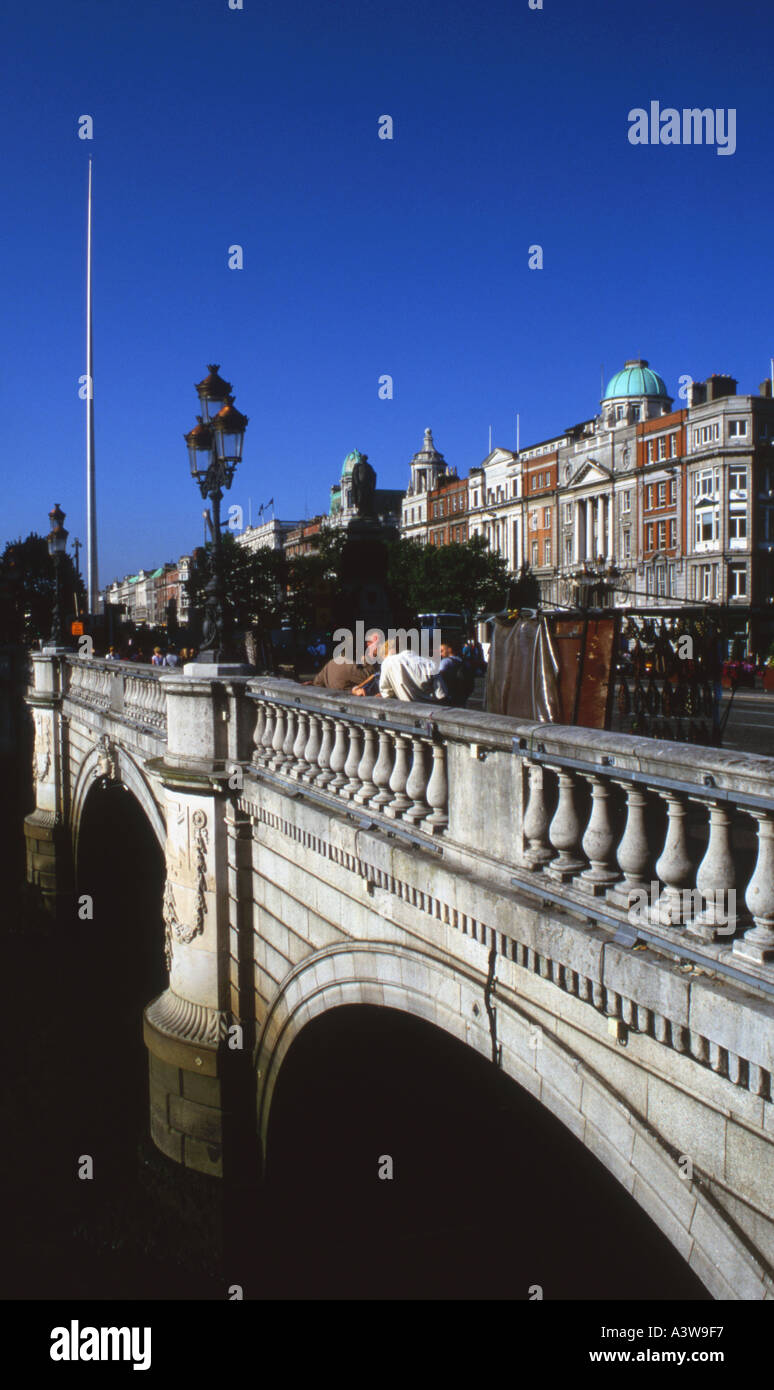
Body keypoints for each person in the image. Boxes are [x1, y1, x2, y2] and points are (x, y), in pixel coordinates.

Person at [309, 629, 380, 691]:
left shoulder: (331, 663)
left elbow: (317, 682)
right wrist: (366, 661)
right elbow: (373, 678)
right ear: (356, 650)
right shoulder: (352, 668)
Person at [434, 635, 474, 707]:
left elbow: (438, 677)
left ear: (449, 649)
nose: (440, 653)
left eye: (442, 651)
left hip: (450, 696)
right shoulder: (462, 660)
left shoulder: (445, 661)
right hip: (462, 695)